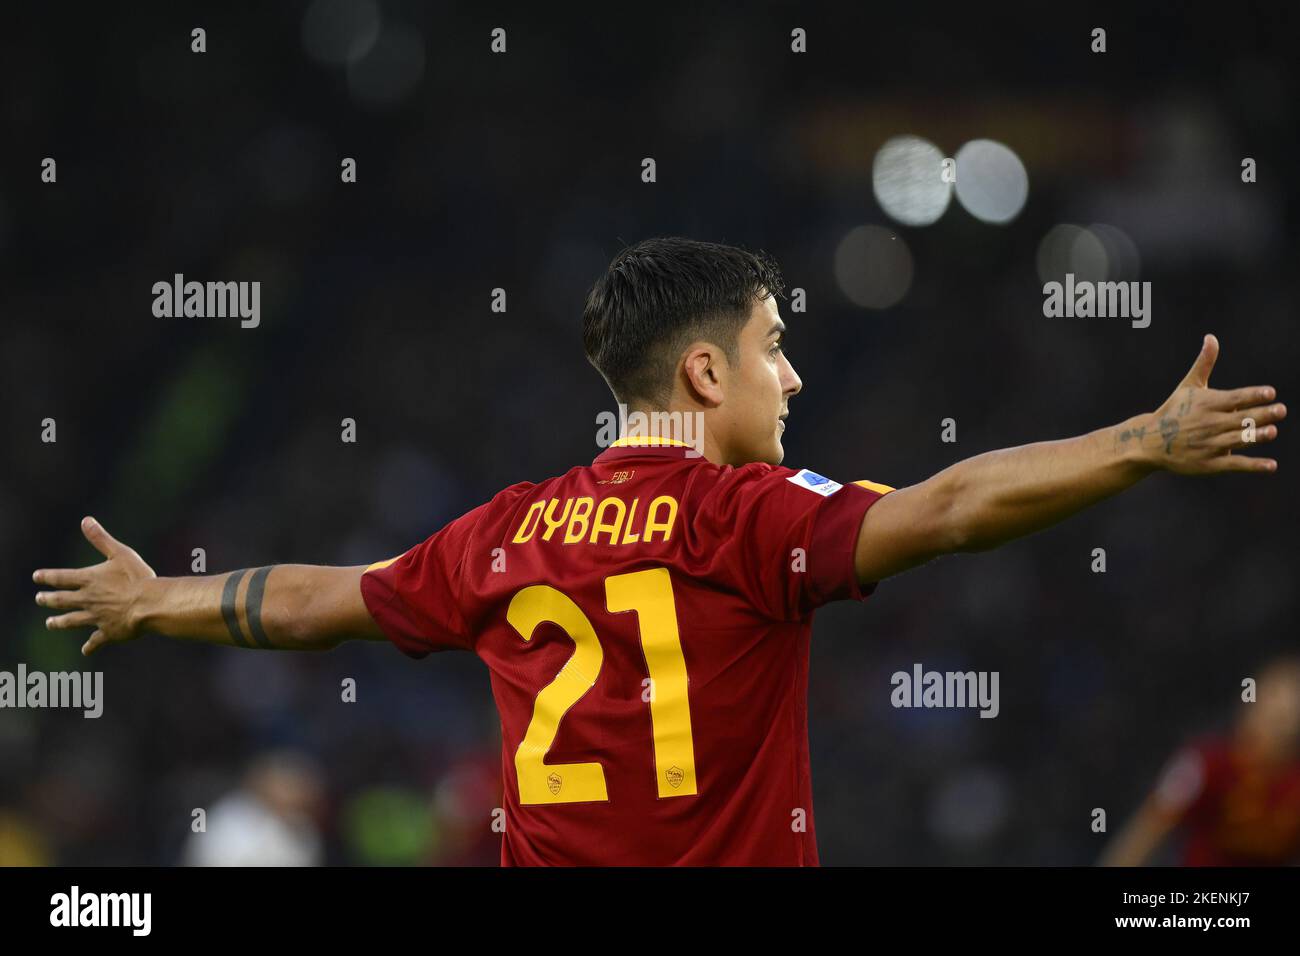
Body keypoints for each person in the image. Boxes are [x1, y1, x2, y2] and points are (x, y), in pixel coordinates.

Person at [33, 237, 1286, 865]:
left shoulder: (505, 528)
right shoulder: (749, 514)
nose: (791, 375)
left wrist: (160, 602)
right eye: (773, 344)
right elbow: (952, 507)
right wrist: (1140, 439)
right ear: (703, 369)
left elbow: (315, 598)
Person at [1101, 657, 1300, 866]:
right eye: (1277, 715)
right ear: (1251, 708)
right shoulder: (1205, 764)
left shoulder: (1294, 784)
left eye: (1290, 718)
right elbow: (1147, 831)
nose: (1283, 727)